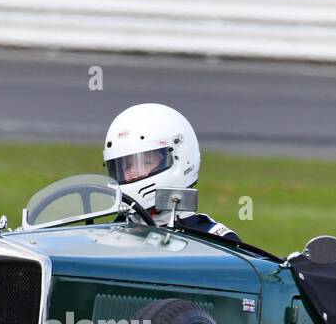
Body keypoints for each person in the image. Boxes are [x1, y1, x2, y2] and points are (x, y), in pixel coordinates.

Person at [103, 103, 240, 241]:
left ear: (181, 157)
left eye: (146, 163)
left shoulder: (216, 240)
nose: (133, 173)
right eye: (126, 166)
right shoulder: (106, 236)